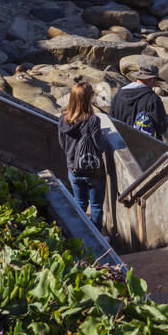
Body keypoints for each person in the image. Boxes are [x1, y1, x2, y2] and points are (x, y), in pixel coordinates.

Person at [58, 78, 108, 225]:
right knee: (96, 206)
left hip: (73, 168)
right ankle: (98, 242)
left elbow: (62, 144)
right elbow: (100, 146)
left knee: (79, 204)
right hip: (93, 170)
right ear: (88, 99)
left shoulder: (63, 120)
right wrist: (104, 137)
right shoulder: (92, 120)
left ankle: (80, 237)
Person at [111, 62, 168, 140]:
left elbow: (112, 120)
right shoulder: (153, 99)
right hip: (144, 147)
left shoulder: (118, 95)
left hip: (121, 143)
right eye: (156, 81)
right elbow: (162, 128)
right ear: (151, 79)